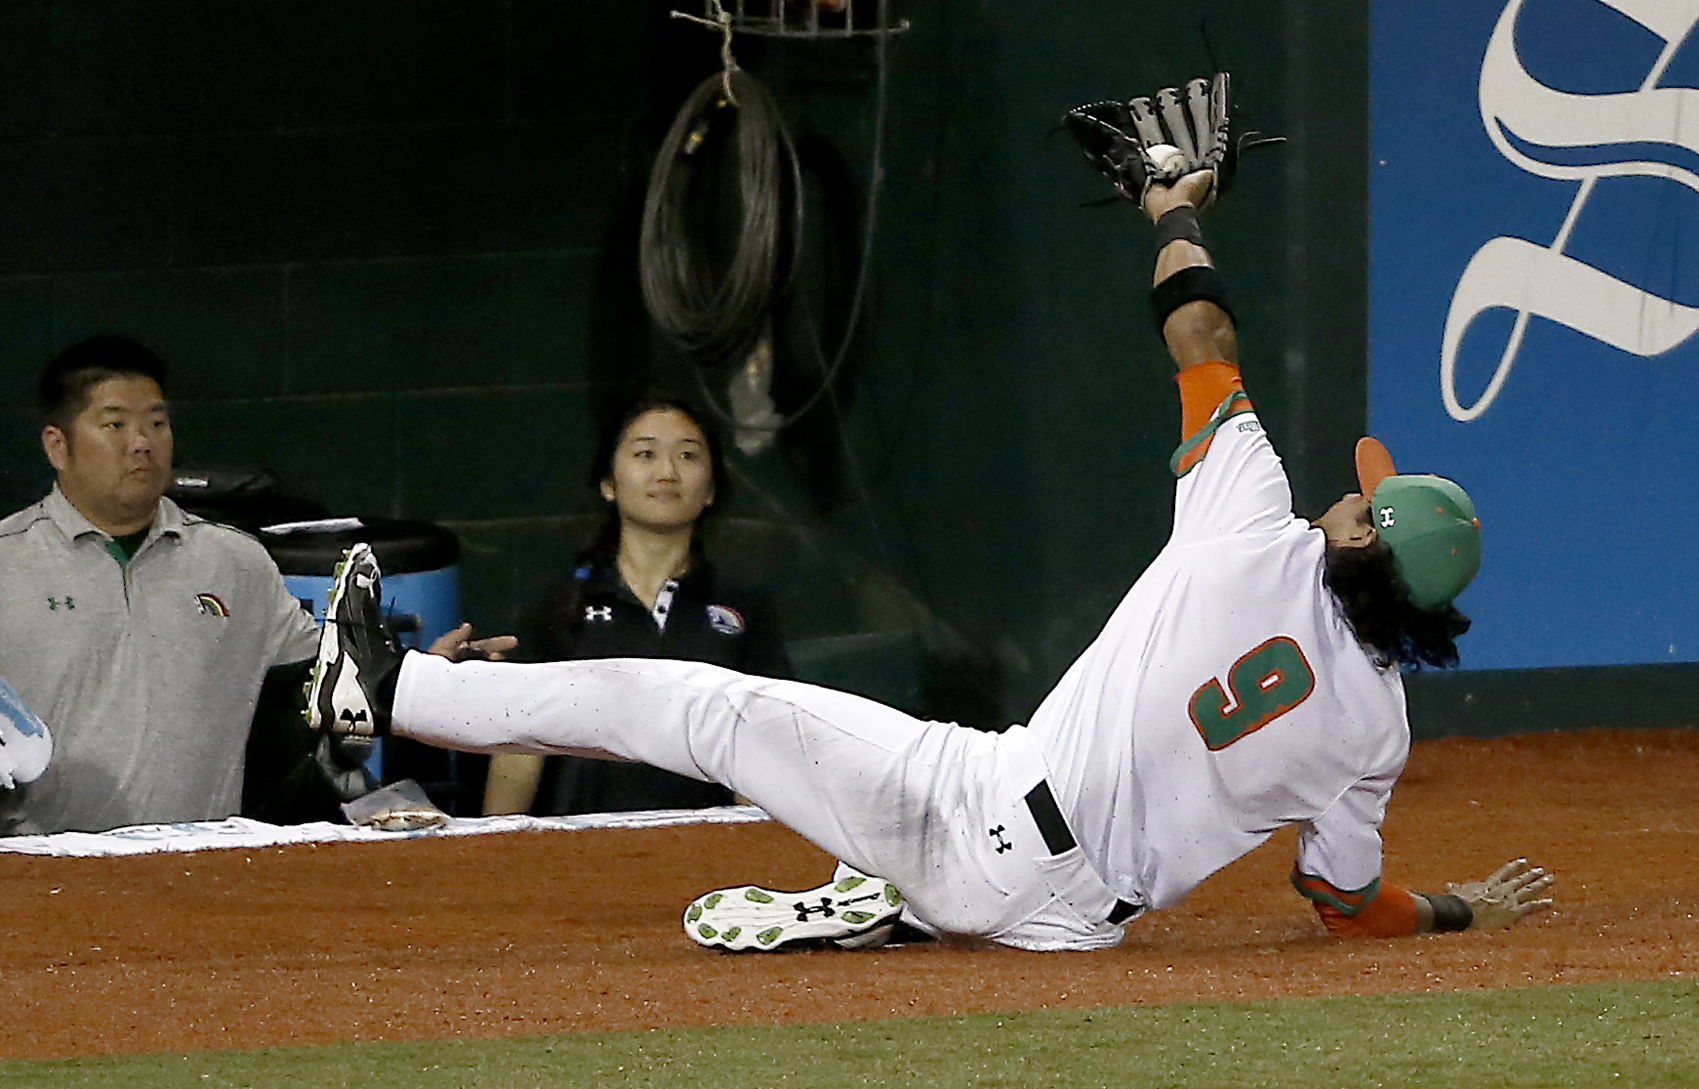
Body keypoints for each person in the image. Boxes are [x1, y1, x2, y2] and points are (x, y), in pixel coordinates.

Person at [303, 165, 1554, 952]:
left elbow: (1201, 332)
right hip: (1068, 929)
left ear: (1357, 537)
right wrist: (1453, 910)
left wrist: (1172, 206)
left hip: (984, 811)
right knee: (792, 760)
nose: (1348, 491)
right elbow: (1340, 901)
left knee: (682, 699)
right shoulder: (1374, 729)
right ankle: (886, 901)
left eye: (1364, 501)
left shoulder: (1251, 521)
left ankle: (391, 691)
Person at [0, 336, 322, 835]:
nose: (142, 442)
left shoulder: (236, 562)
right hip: (41, 879)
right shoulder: (7, 560)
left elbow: (334, 679)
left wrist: (429, 679)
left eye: (156, 422)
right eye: (115, 424)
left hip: (202, 878)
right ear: (57, 446)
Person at [480, 398, 791, 816]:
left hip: (711, 858)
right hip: (580, 855)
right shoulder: (557, 604)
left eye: (688, 455)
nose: (667, 472)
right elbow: (517, 753)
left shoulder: (744, 609)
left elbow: (763, 753)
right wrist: (499, 856)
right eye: (646, 453)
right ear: (608, 483)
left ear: (712, 489)